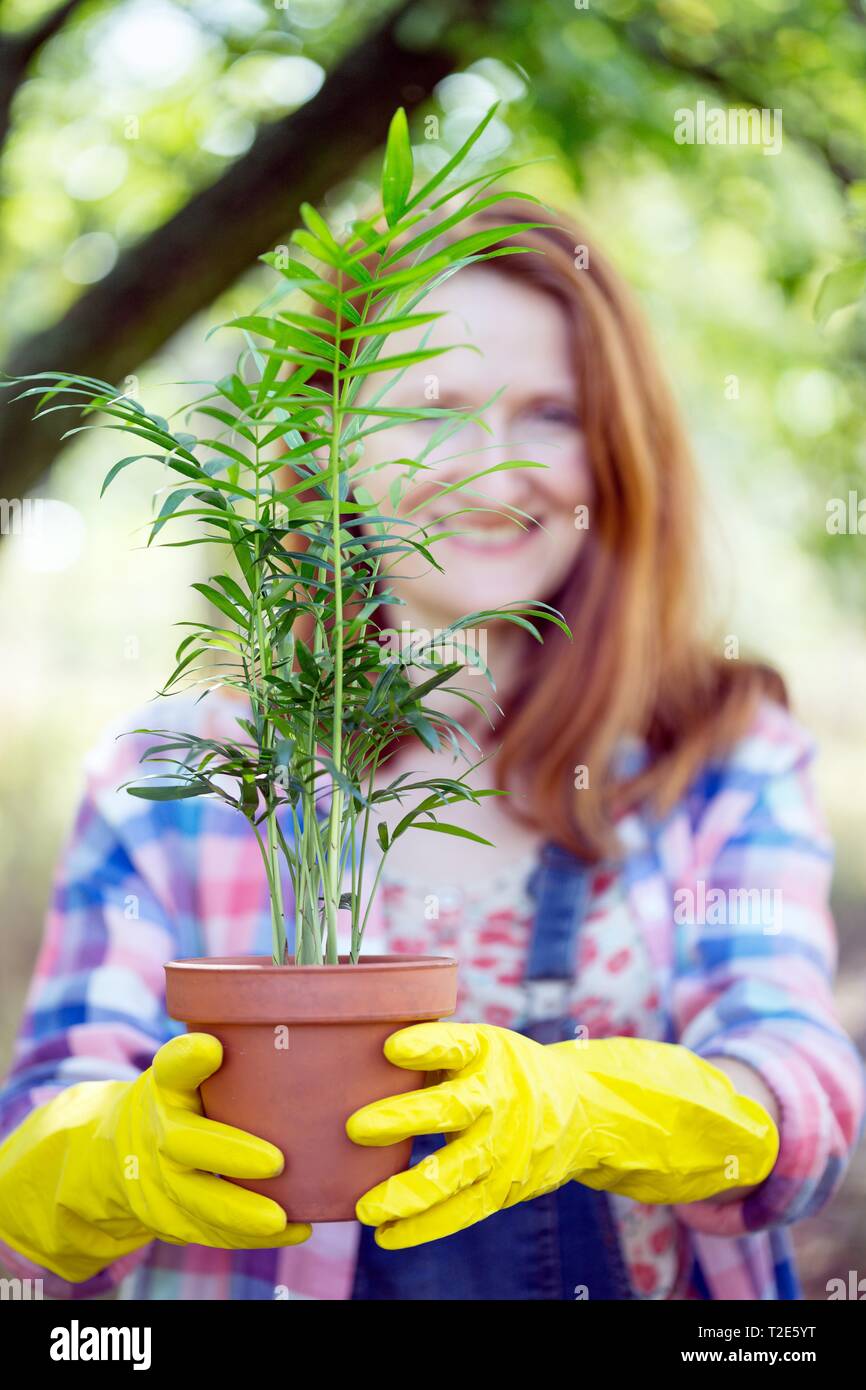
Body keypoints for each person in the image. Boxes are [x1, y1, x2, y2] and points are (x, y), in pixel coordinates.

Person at [0, 202, 863, 1301]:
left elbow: (801, 1088)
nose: (486, 468)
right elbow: (30, 1186)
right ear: (325, 440)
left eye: (551, 412)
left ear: (612, 451)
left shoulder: (717, 756)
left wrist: (585, 1109)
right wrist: (117, 1154)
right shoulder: (171, 776)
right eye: (429, 405)